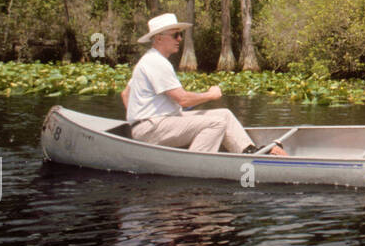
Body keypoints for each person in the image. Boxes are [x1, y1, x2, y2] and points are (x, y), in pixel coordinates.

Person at [121, 13, 287, 156]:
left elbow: (125, 94)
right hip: (152, 129)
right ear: (158, 38)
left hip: (154, 125)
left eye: (180, 35)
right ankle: (196, 163)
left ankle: (248, 152)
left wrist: (135, 120)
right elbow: (183, 100)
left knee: (224, 114)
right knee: (216, 123)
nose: (179, 39)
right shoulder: (156, 63)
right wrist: (210, 95)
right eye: (175, 35)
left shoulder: (148, 60)